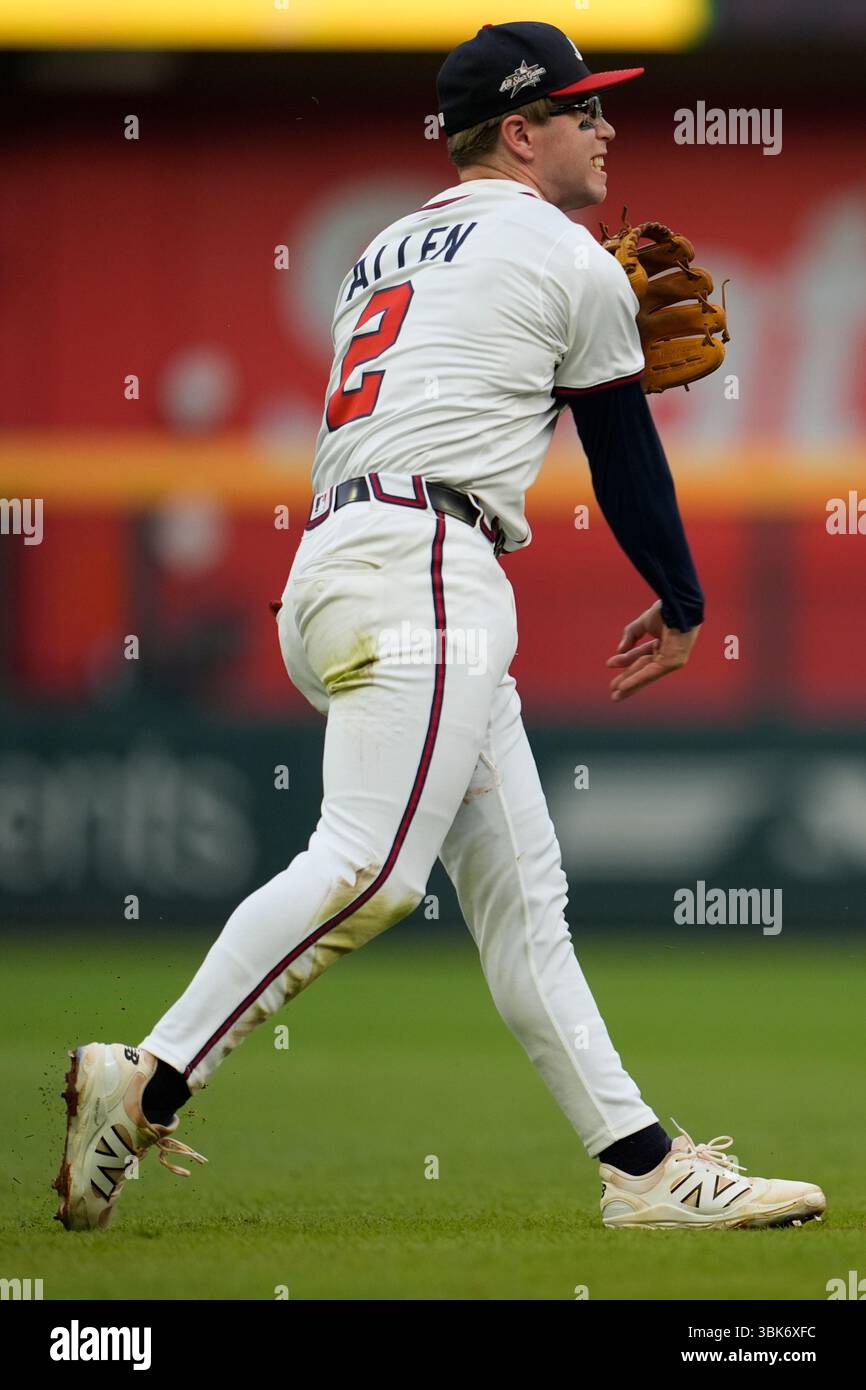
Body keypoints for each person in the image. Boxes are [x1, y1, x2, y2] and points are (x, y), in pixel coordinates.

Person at [54, 21, 825, 1233]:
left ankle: (644, 1168)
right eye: (580, 110)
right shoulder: (565, 255)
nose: (604, 125)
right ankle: (147, 1079)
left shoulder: (387, 242)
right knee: (369, 867)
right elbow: (622, 455)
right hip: (422, 568)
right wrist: (682, 601)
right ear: (519, 131)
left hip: (346, 560)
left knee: (523, 899)